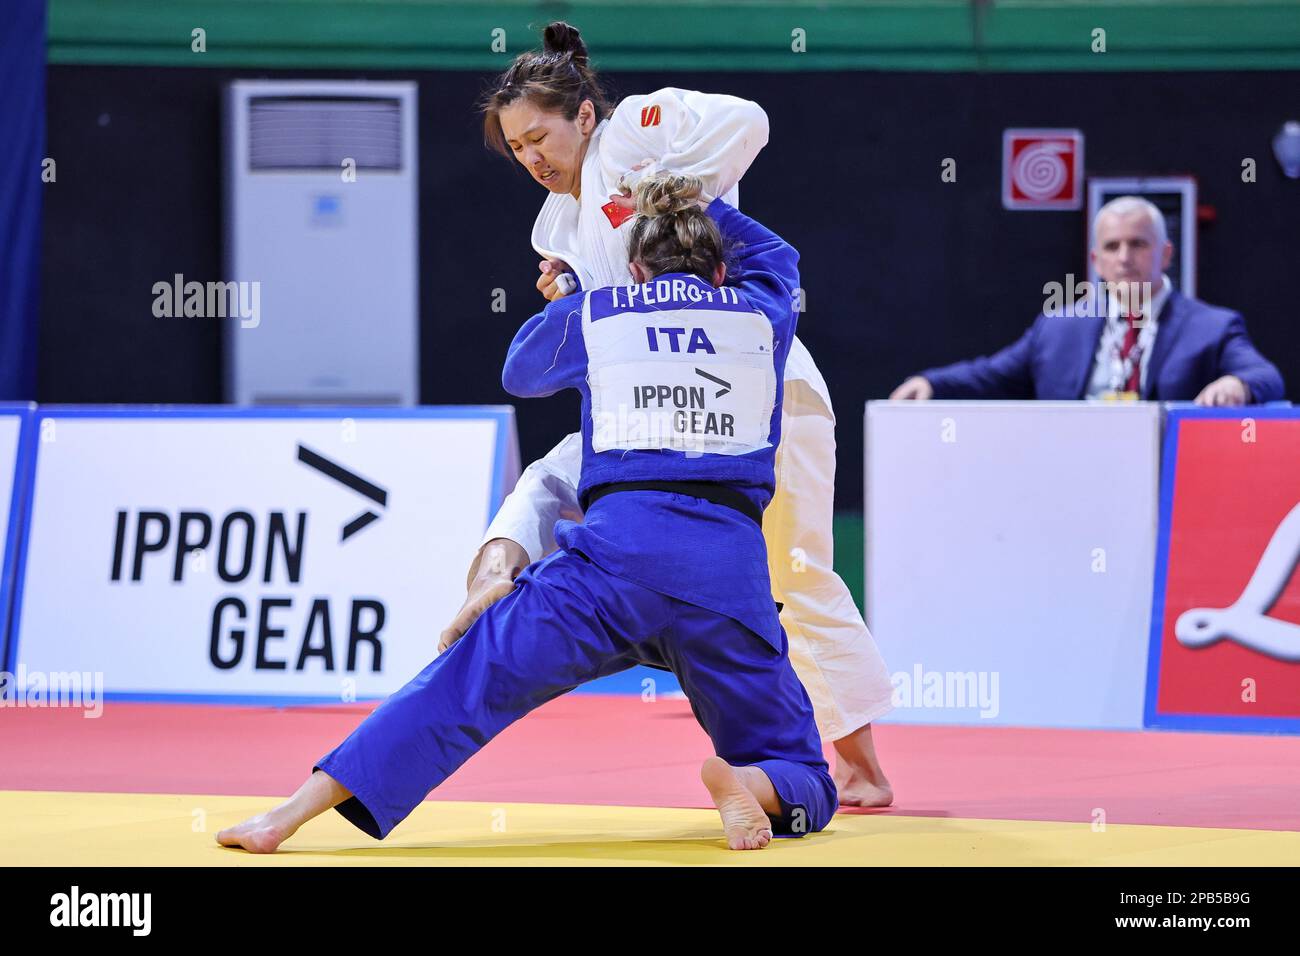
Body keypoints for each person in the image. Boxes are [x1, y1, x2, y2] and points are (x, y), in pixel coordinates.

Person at [217, 173, 836, 853]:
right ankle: (750, 785)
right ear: (720, 270)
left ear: (633, 270)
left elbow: (520, 369)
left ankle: (287, 815)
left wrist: (575, 294)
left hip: (609, 569)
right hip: (725, 582)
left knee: (465, 681)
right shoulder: (761, 313)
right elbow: (779, 256)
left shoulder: (600, 316)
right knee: (802, 769)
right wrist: (698, 200)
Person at [443, 21, 894, 807]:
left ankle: (860, 766)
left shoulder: (636, 129)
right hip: (662, 416)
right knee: (623, 519)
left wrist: (677, 183)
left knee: (793, 573)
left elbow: (749, 120)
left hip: (760, 388)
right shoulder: (556, 226)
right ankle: (502, 570)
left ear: (584, 115)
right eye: (515, 149)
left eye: (539, 136)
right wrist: (573, 295)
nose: (531, 159)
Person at [890, 196, 1285, 405]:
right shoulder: (1059, 326)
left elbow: (1267, 377)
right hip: (1072, 483)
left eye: (1138, 244)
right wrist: (932, 382)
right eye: (1112, 246)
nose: (1125, 257)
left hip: (1172, 488)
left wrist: (1238, 383)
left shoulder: (1213, 327)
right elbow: (993, 375)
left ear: (1166, 254)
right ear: (1096, 260)